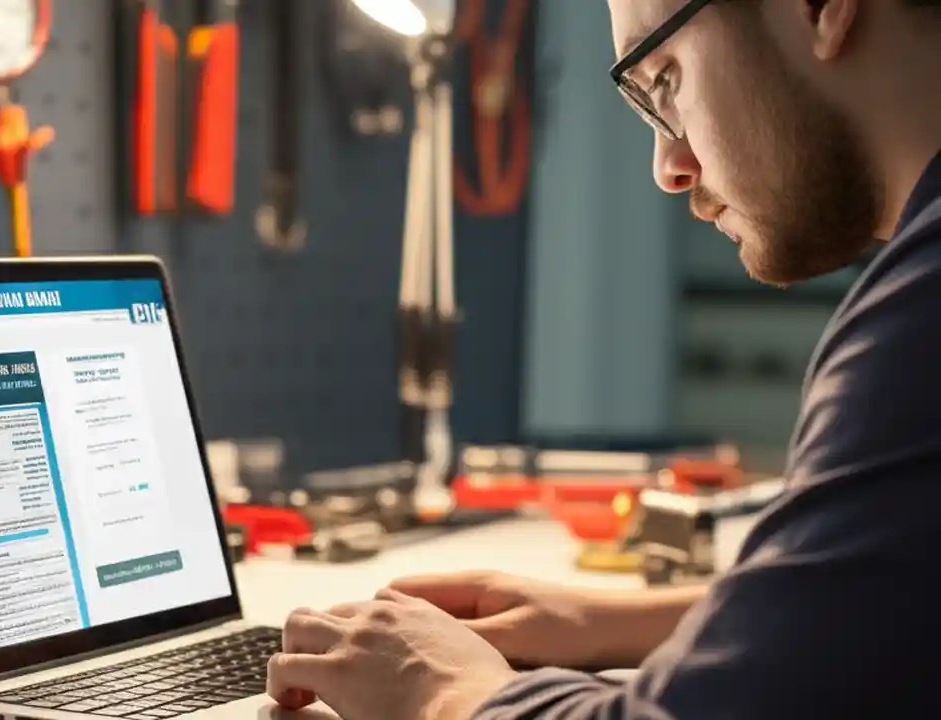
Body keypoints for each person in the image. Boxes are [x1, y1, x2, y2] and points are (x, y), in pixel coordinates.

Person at [265, 0, 941, 717]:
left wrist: (447, 688)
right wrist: (609, 624)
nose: (669, 168)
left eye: (666, 79)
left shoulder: (920, 327)